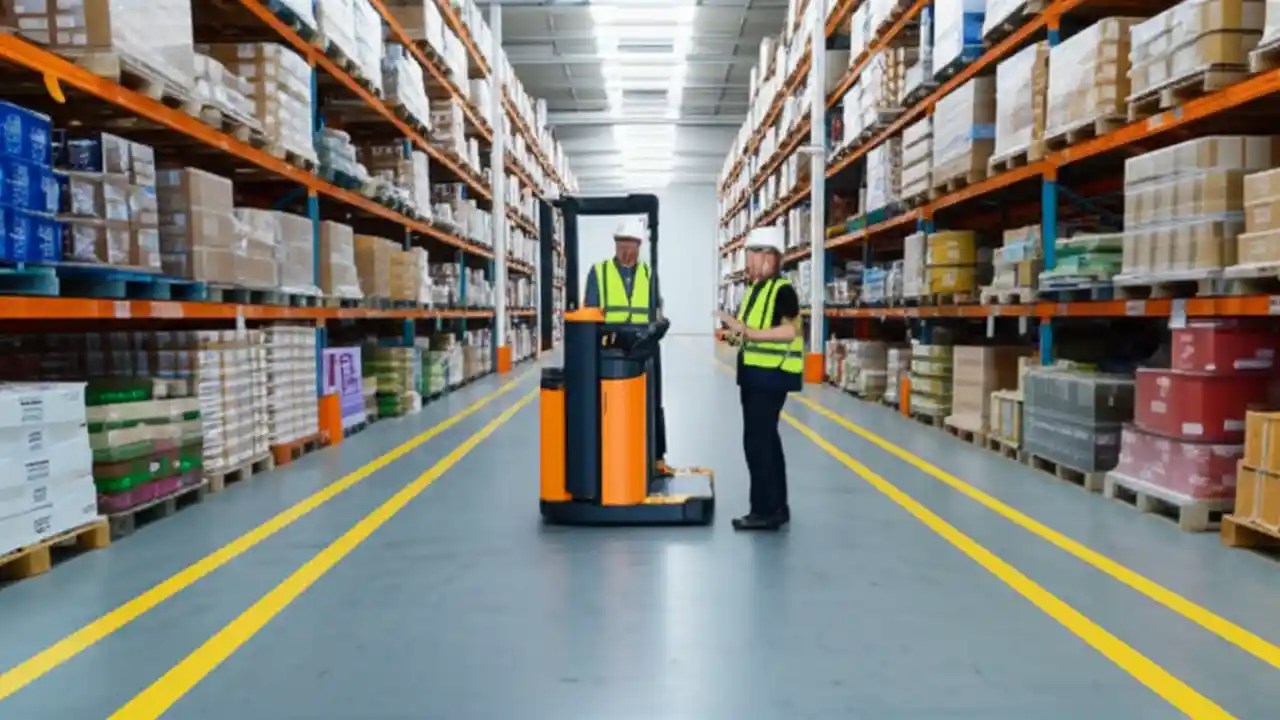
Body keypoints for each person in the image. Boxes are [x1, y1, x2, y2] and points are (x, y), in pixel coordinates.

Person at [716, 225, 802, 530]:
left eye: (752, 254)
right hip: (754, 376)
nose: (748, 261)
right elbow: (750, 334)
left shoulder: (782, 289)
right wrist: (734, 337)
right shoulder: (754, 290)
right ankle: (778, 506)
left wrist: (747, 333)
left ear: (770, 256)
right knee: (767, 440)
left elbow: (789, 330)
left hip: (771, 377)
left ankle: (764, 512)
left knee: (758, 443)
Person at [583, 218, 674, 476]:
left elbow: (656, 311)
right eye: (622, 244)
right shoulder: (599, 272)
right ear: (614, 244)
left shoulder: (648, 273)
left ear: (640, 246)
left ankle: (656, 459)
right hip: (612, 348)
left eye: (632, 245)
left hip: (645, 346)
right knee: (611, 405)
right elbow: (591, 313)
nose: (627, 251)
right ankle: (609, 459)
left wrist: (658, 325)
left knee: (653, 401)